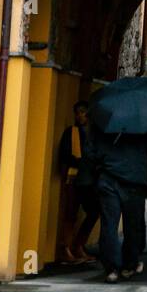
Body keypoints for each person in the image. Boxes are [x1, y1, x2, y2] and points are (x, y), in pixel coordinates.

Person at [87, 122, 147, 282]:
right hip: (134, 180)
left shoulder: (103, 122)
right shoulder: (141, 123)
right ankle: (129, 266)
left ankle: (112, 269)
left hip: (108, 178)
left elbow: (90, 152)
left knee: (109, 225)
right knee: (132, 226)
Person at [57, 102, 99, 263]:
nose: (80, 115)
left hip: (89, 180)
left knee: (94, 211)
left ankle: (78, 245)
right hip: (73, 178)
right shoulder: (71, 132)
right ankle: (66, 249)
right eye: (77, 112)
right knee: (70, 214)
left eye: (83, 112)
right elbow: (64, 157)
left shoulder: (94, 133)